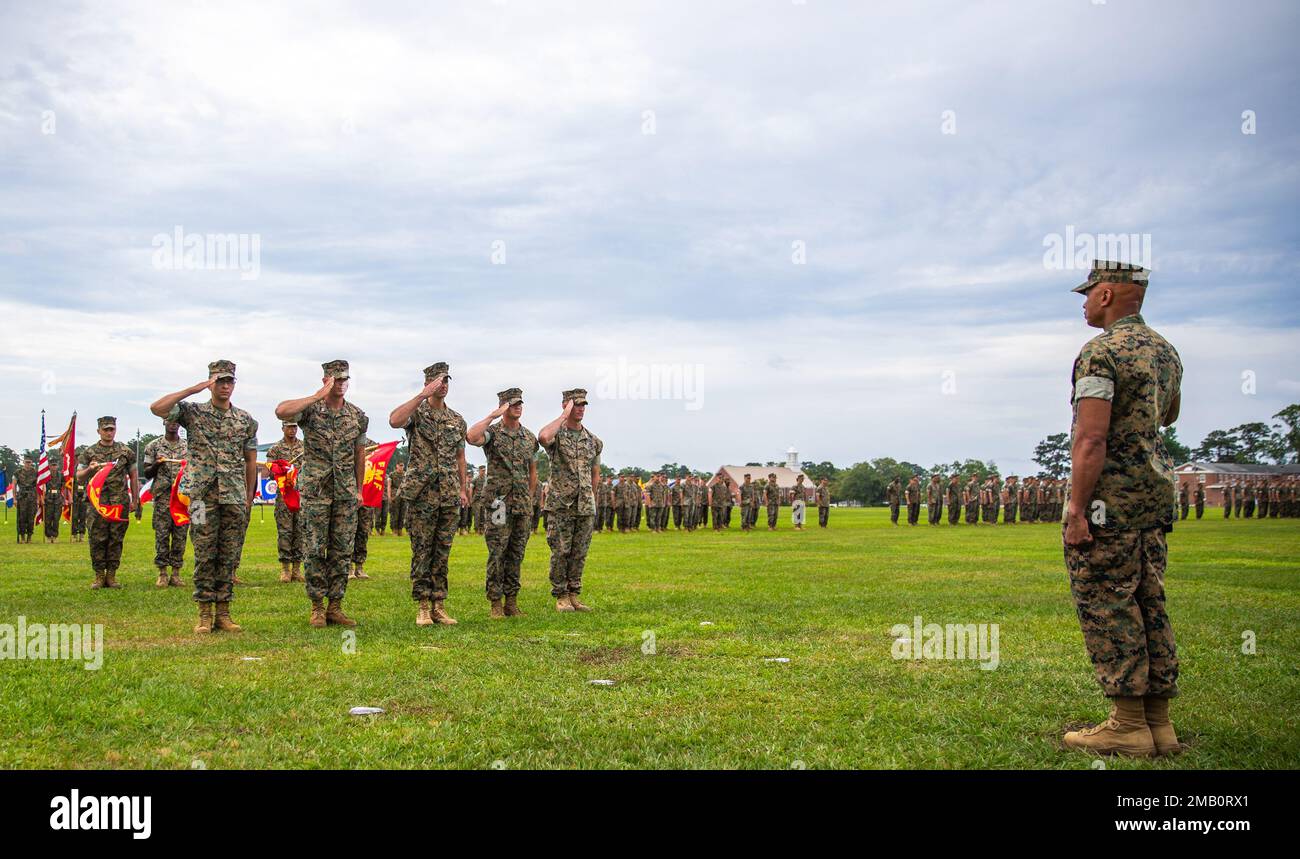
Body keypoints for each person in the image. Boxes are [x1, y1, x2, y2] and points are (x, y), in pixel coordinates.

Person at [1061, 261, 1182, 756]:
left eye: (1088, 294)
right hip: (1153, 499)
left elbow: (1091, 437)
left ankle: (1127, 725)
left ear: (1107, 294)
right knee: (1150, 601)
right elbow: (1168, 415)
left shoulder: (1101, 352)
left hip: (1111, 501)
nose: (1085, 302)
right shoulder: (1166, 352)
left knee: (1109, 602)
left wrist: (1076, 508)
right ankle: (1159, 724)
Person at [151, 360, 259, 632]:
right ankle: (203, 613)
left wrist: (248, 495)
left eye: (229, 381)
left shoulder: (245, 420)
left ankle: (223, 612)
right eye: (219, 381)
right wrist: (193, 389)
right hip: (200, 496)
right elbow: (157, 408)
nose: (225, 386)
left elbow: (250, 459)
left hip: (233, 495)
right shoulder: (192, 412)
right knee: (203, 552)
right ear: (210, 382)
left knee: (228, 554)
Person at [276, 360, 368, 628]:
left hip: (345, 492)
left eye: (343, 380)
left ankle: (335, 606)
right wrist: (317, 396)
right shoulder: (310, 411)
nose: (340, 384)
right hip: (316, 490)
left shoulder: (357, 416)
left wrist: (359, 489)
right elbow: (281, 411)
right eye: (334, 379)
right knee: (315, 548)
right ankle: (317, 606)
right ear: (325, 380)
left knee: (341, 551)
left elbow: (359, 455)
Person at [388, 362, 468, 626]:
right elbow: (394, 420)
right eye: (437, 381)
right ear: (427, 384)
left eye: (446, 381)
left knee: (442, 551)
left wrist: (463, 488)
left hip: (448, 493)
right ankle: (423, 606)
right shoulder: (417, 413)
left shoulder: (456, 420)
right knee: (422, 549)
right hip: (422, 494)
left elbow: (460, 456)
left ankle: (439, 604)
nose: (442, 385)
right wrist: (421, 395)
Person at [467, 387, 538, 618]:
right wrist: (492, 416)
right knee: (497, 552)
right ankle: (496, 603)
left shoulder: (529, 437)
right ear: (503, 406)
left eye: (520, 403)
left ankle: (512, 602)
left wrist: (528, 496)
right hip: (499, 504)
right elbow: (471, 437)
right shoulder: (493, 433)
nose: (518, 406)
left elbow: (533, 472)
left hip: (521, 505)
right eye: (513, 403)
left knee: (516, 554)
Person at [538, 388, 602, 611]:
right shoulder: (557, 435)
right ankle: (561, 595)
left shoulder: (593, 441)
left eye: (583, 405)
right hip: (560, 504)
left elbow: (595, 472)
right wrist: (563, 416)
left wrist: (592, 497)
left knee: (579, 552)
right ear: (565, 406)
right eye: (576, 405)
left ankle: (574, 593)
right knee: (561, 550)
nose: (581, 409)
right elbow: (543, 437)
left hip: (585, 504)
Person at [77, 417, 140, 589]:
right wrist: (90, 469)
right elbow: (79, 476)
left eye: (112, 429)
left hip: (119, 503)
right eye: (105, 429)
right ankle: (99, 576)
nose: (109, 432)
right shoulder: (89, 452)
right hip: (97, 504)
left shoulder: (126, 451)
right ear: (98, 431)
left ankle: (111, 575)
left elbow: (134, 476)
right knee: (97, 539)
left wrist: (135, 499)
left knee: (116, 539)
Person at [142, 418, 189, 586]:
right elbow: (146, 473)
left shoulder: (188, 447)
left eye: (176, 421)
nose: (173, 424)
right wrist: (156, 464)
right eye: (170, 421)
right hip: (163, 496)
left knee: (180, 534)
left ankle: (176, 573)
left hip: (182, 497)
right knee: (162, 534)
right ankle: (162, 573)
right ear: (164, 422)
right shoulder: (153, 446)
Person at [266, 421, 305, 582]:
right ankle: (285, 569)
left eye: (295, 427)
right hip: (284, 497)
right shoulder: (275, 449)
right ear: (282, 428)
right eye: (289, 427)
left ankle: (297, 569)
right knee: (285, 532)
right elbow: (269, 470)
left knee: (300, 532)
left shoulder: (305, 447)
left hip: (301, 495)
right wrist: (279, 470)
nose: (292, 430)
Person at [15, 456, 37, 543]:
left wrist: (39, 499)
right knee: (22, 518)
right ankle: (22, 536)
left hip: (32, 497)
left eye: (29, 462)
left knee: (31, 518)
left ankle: (29, 537)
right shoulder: (18, 472)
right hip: (22, 497)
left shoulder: (35, 472)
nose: (28, 464)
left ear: (32, 462)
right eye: (26, 462)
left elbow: (39, 486)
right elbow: (14, 485)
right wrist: (14, 499)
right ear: (23, 462)